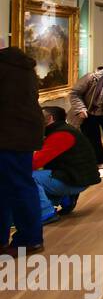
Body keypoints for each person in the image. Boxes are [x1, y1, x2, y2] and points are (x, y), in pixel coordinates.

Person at [0, 39, 46, 254]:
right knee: (12, 186)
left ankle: (29, 239)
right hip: (19, 133)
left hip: (10, 135)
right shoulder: (19, 66)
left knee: (18, 186)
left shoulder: (5, 67)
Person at [32, 106, 101, 217]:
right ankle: (65, 199)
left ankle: (46, 212)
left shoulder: (61, 134)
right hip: (74, 176)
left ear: (50, 118)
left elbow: (35, 162)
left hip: (75, 179)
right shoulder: (62, 130)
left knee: (28, 177)